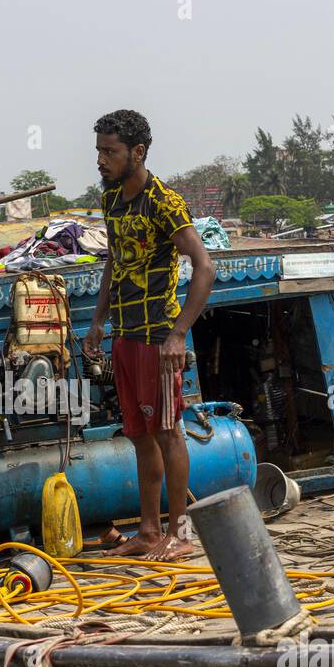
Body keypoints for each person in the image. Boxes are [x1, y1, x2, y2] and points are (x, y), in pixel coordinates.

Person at [83, 109, 215, 559]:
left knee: (168, 431)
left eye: (110, 152)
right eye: (98, 151)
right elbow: (114, 262)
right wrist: (98, 321)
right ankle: (148, 530)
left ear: (137, 153)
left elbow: (205, 267)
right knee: (139, 433)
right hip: (124, 333)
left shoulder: (164, 202)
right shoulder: (111, 200)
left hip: (159, 335)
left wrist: (179, 334)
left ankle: (180, 534)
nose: (101, 160)